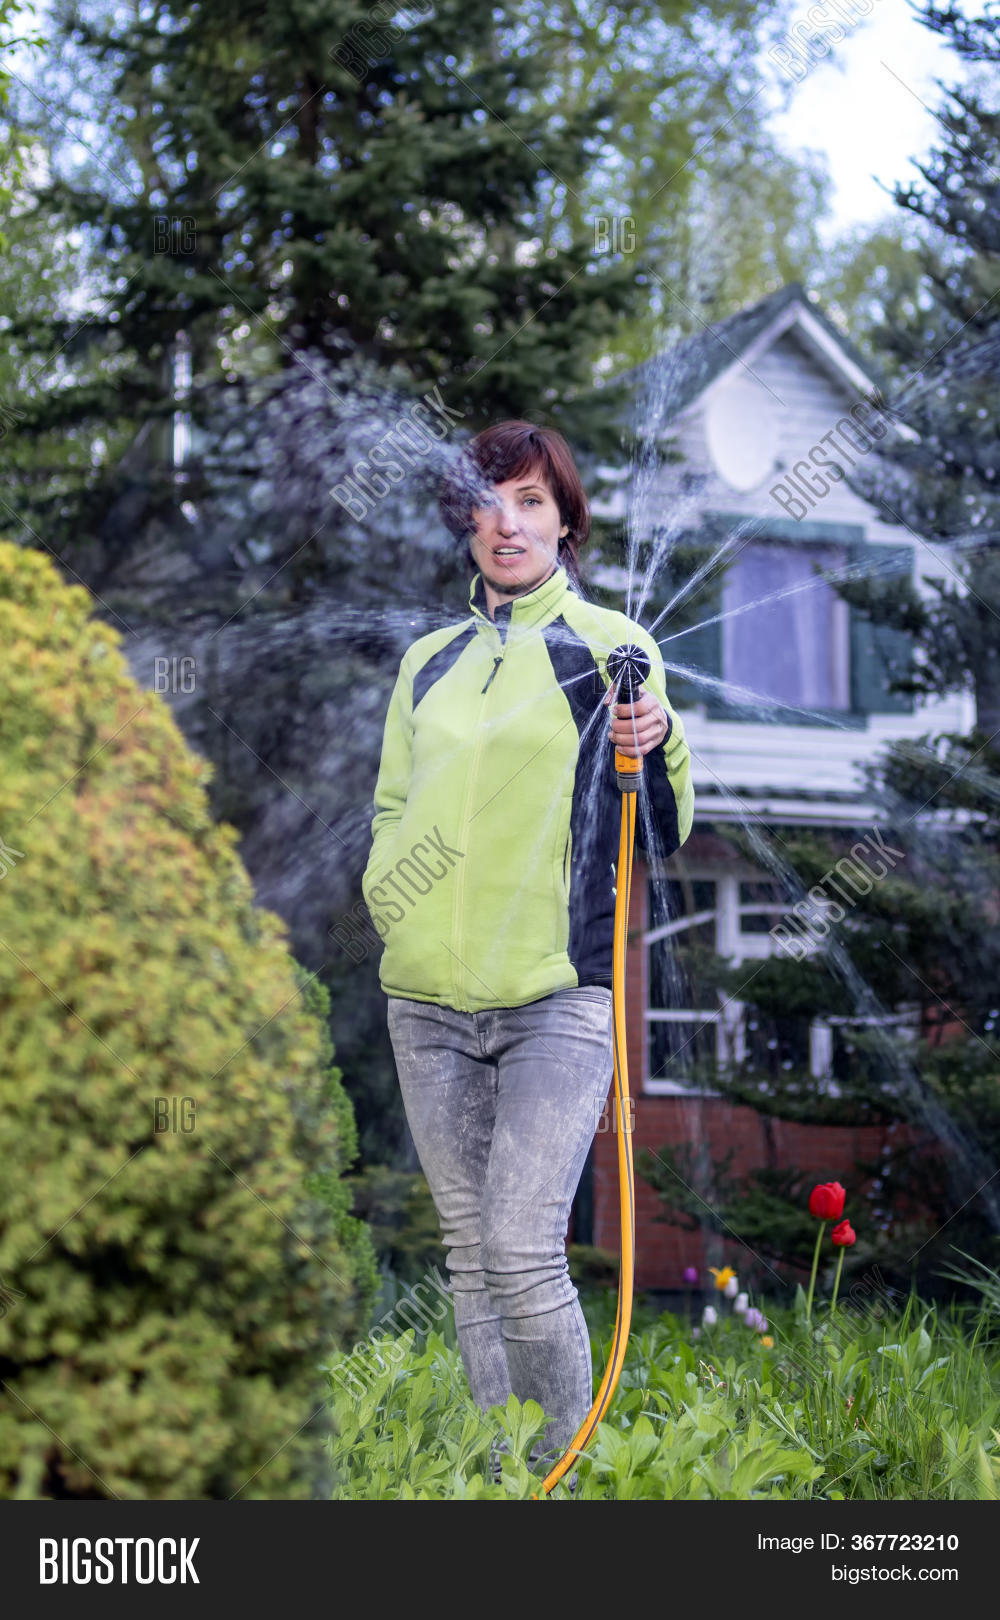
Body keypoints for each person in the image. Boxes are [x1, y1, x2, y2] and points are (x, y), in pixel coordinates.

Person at [361, 419, 694, 1479]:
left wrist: (658, 743)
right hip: (425, 1004)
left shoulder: (612, 650)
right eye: (488, 501)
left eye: (531, 501)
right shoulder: (428, 664)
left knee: (518, 1247)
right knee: (470, 1257)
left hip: (555, 995)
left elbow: (663, 827)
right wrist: (393, 904)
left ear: (564, 523)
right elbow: (391, 809)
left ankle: (560, 1474)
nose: (507, 522)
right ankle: (499, 1474)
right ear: (465, 521)